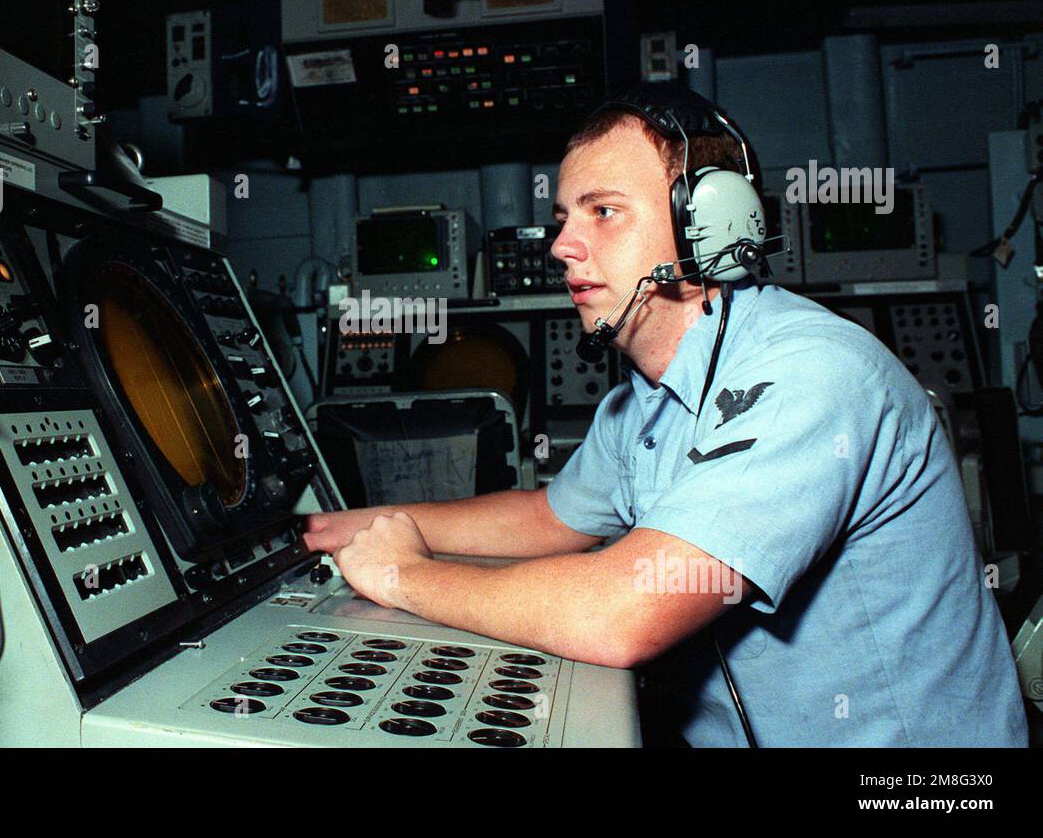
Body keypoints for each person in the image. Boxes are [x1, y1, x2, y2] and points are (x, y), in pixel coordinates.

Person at [304, 83, 1028, 746]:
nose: (562, 245)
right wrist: (359, 527)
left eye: (603, 211)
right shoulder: (639, 400)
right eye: (562, 218)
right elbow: (547, 518)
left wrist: (404, 575)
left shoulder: (814, 372)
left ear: (708, 225)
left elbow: (625, 611)